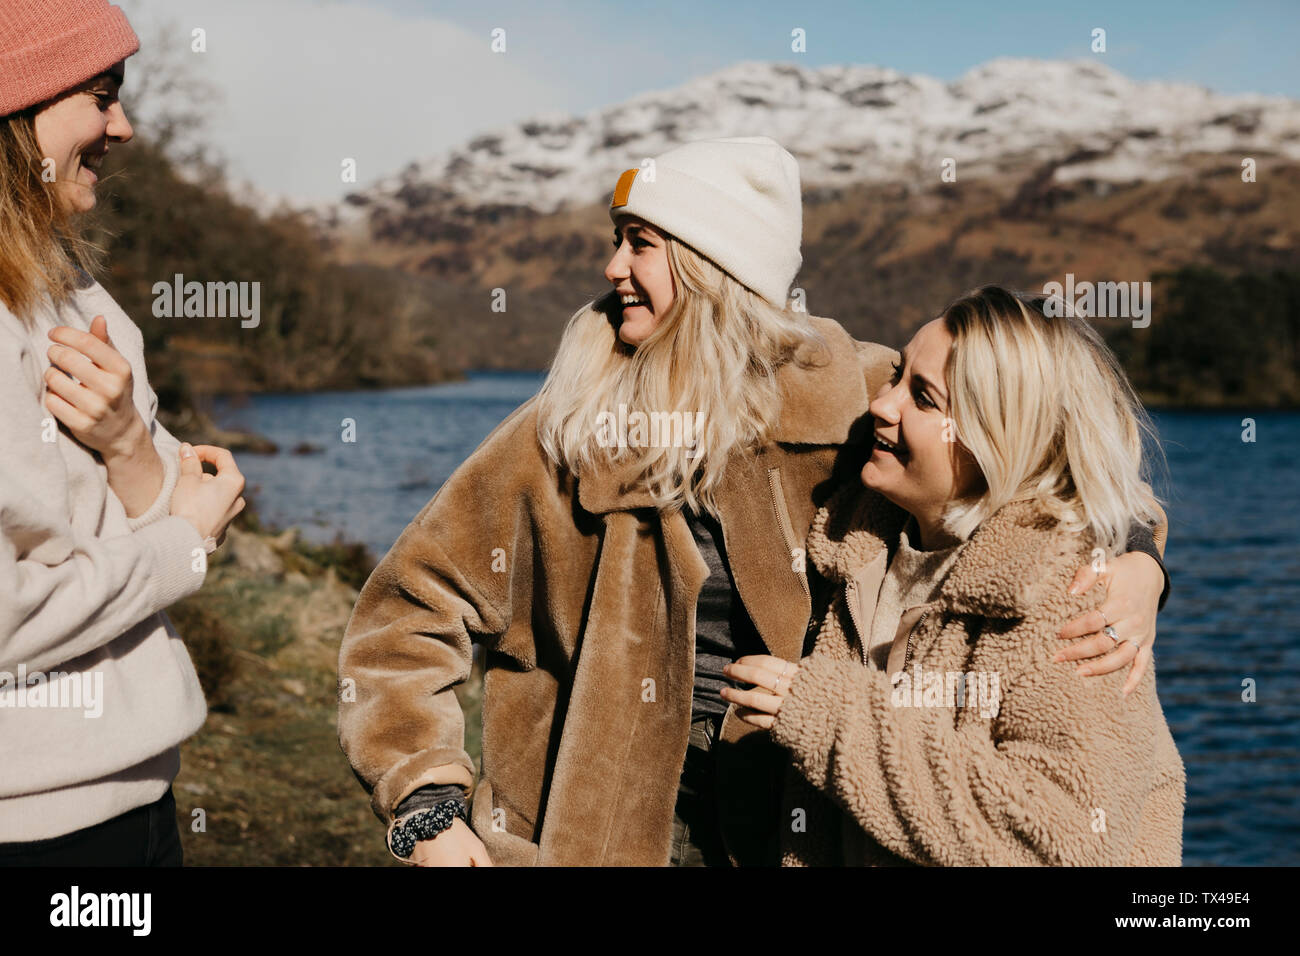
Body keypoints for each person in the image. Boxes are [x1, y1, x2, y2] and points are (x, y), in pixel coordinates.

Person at [338, 138, 1170, 867]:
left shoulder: (864, 394)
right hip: (592, 827)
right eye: (615, 242)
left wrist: (1138, 562)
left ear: (713, 268)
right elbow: (403, 619)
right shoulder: (562, 431)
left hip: (806, 822)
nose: (611, 269)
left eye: (639, 244)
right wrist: (426, 806)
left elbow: (1041, 459)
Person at [724, 286, 1186, 865]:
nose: (882, 406)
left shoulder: (1071, 603)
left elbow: (1064, 842)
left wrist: (832, 718)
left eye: (924, 398)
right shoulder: (860, 548)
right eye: (897, 377)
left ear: (1002, 436)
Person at [0, 0, 245, 866]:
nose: (125, 126)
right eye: (100, 95)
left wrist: (131, 449)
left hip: (136, 800)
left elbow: (169, 488)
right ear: (15, 106)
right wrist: (180, 544)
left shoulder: (76, 297)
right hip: (33, 830)